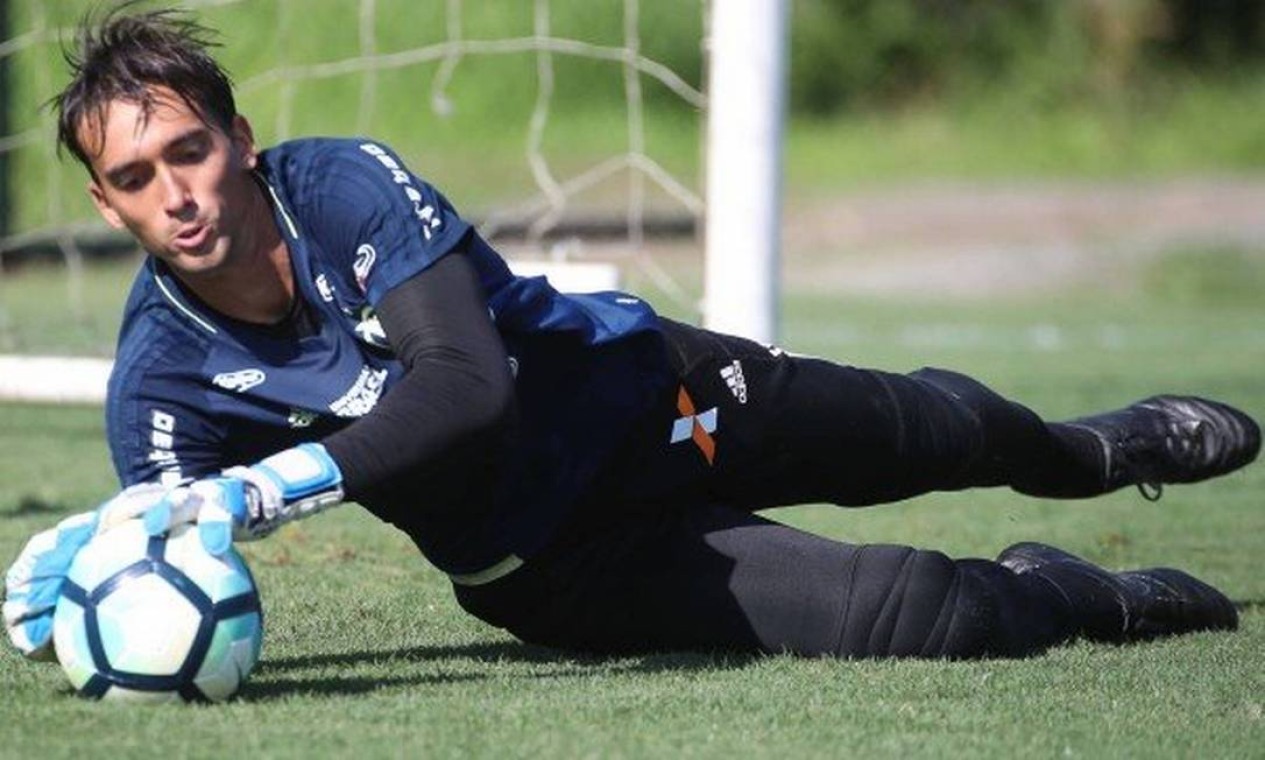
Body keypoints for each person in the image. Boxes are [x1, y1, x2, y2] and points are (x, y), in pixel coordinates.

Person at [4, 6, 1259, 665]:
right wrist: (102, 583)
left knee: (937, 426)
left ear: (240, 144)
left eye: (189, 150)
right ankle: (1080, 589)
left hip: (654, 394)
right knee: (920, 614)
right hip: (558, 564)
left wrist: (269, 488)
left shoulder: (341, 186)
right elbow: (181, 569)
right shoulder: (158, 385)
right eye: (133, 175)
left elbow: (465, 384)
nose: (176, 193)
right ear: (104, 202)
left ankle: (1090, 454)